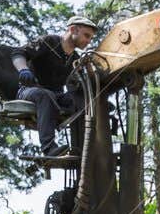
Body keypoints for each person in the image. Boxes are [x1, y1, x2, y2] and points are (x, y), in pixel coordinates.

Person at [12, 16, 98, 156]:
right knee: (45, 95)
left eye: (91, 38)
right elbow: (18, 53)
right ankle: (49, 148)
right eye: (86, 36)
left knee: (82, 99)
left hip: (56, 95)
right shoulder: (49, 42)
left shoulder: (75, 59)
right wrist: (23, 69)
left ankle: (84, 150)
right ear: (73, 29)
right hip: (29, 91)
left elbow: (79, 86)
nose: (88, 41)